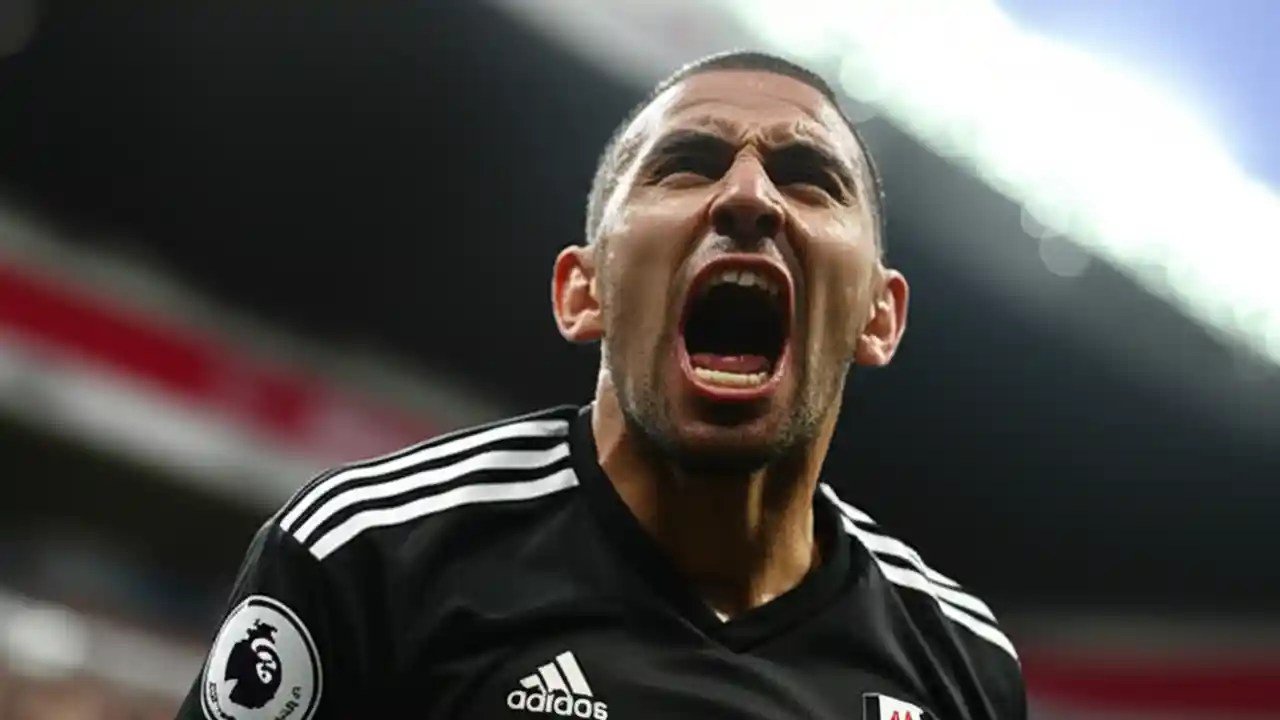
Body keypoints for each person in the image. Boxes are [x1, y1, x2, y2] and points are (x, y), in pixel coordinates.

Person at [176, 50, 1026, 720]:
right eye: (686, 166)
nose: (747, 196)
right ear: (584, 291)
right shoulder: (368, 558)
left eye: (809, 180)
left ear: (880, 316)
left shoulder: (963, 663)